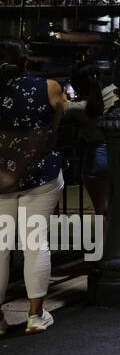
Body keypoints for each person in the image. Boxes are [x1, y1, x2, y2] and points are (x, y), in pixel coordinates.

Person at [0, 41, 68, 333]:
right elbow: (58, 118)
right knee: (35, 243)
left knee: (0, 247)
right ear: (25, 61)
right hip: (39, 173)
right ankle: (35, 315)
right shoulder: (47, 87)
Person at [67, 60, 110, 216]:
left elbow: (59, 106)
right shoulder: (114, 93)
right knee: (115, 208)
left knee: (102, 209)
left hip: (95, 155)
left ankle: (103, 241)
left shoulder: (77, 108)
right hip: (116, 153)